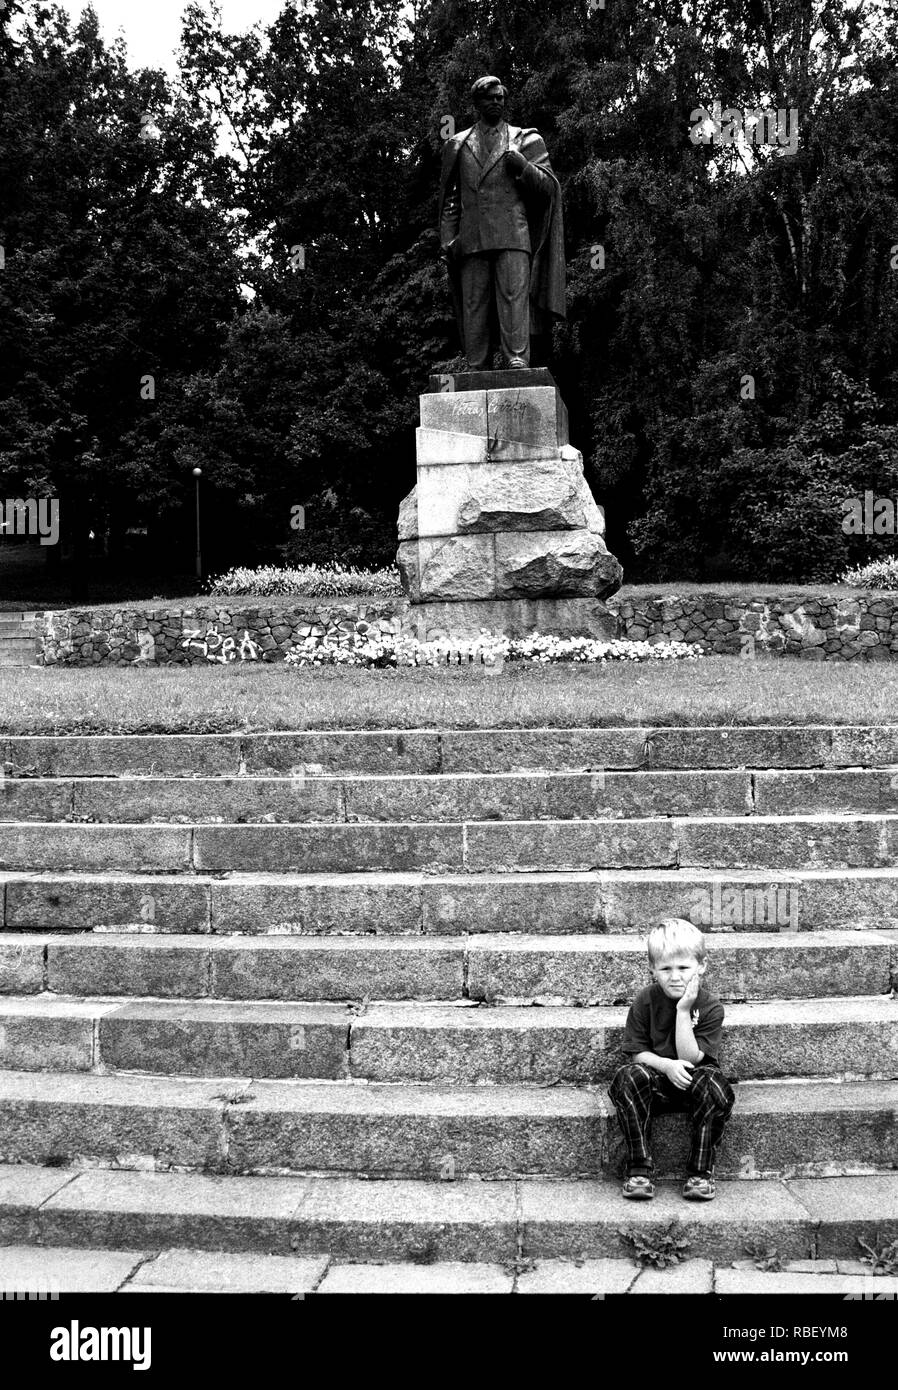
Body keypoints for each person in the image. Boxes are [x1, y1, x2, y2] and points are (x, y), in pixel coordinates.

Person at [437, 75, 566, 369]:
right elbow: (451, 200)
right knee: (474, 304)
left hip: (513, 234)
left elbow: (550, 190)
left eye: (500, 97)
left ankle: (517, 358)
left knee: (513, 299)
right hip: (471, 239)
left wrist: (523, 166)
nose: (496, 102)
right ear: (477, 103)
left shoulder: (525, 139)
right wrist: (447, 240)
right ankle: (476, 363)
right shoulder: (458, 144)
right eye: (489, 98)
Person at [608, 918, 735, 1200]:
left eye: (683, 968)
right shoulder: (645, 1000)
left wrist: (683, 1011)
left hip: (695, 1084)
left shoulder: (710, 1007)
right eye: (665, 968)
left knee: (715, 1085)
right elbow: (636, 1053)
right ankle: (638, 1169)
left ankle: (700, 1174)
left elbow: (691, 1057)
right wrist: (666, 1066)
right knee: (627, 1077)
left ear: (701, 966)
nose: (675, 976)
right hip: (656, 1083)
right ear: (653, 969)